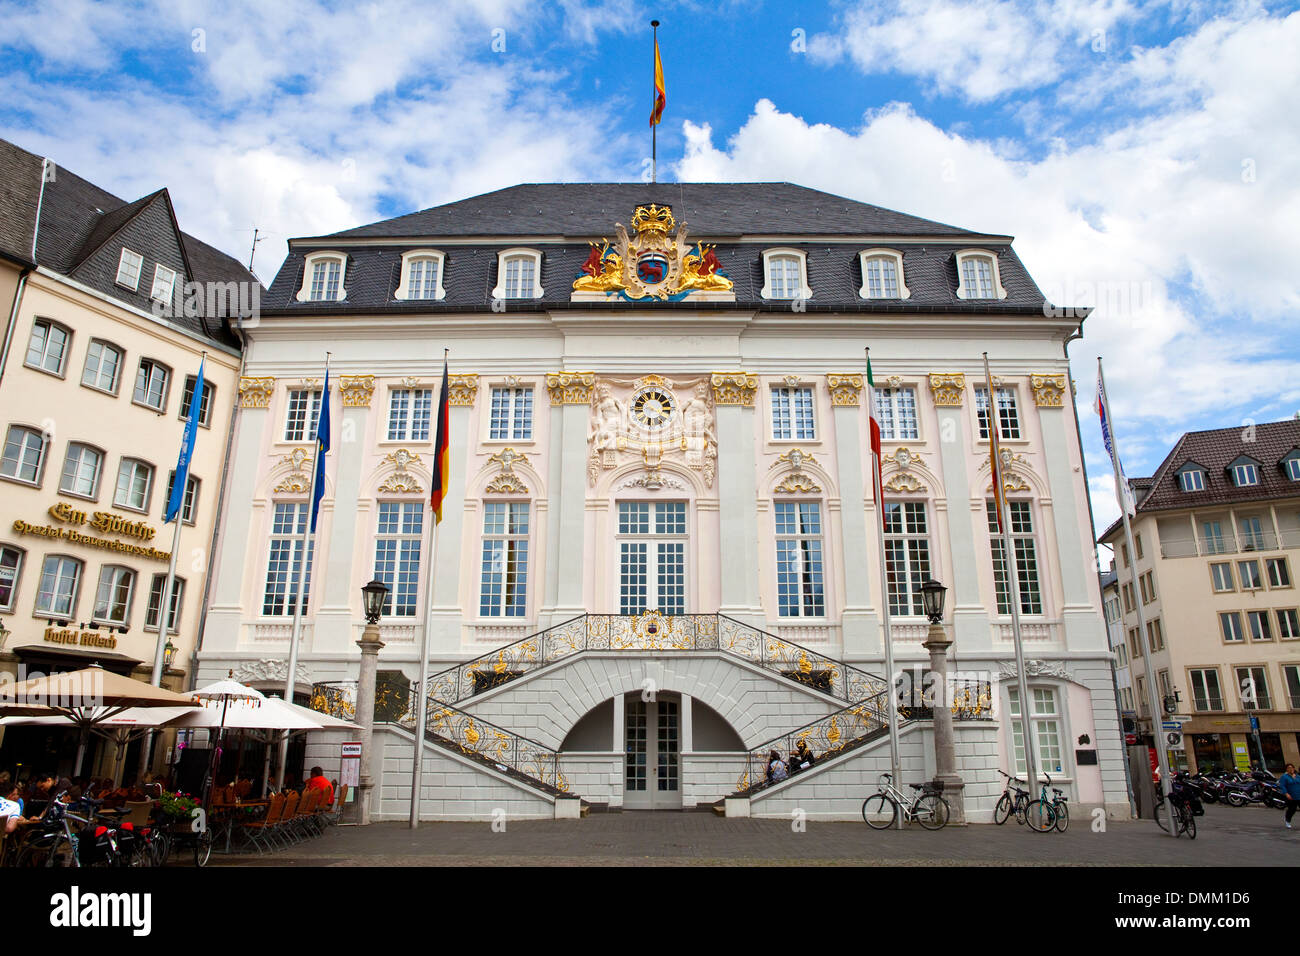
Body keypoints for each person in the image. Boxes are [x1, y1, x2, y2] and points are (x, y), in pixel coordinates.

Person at [1279, 763, 1300, 829]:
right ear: (1286, 769)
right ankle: (1288, 820)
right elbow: (1282, 786)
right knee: (1292, 809)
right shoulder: (1284, 777)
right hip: (1291, 796)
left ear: (1294, 768)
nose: (1291, 769)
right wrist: (1286, 794)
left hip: (1299, 795)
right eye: (1289, 768)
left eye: (1292, 767)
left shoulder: (1298, 776)